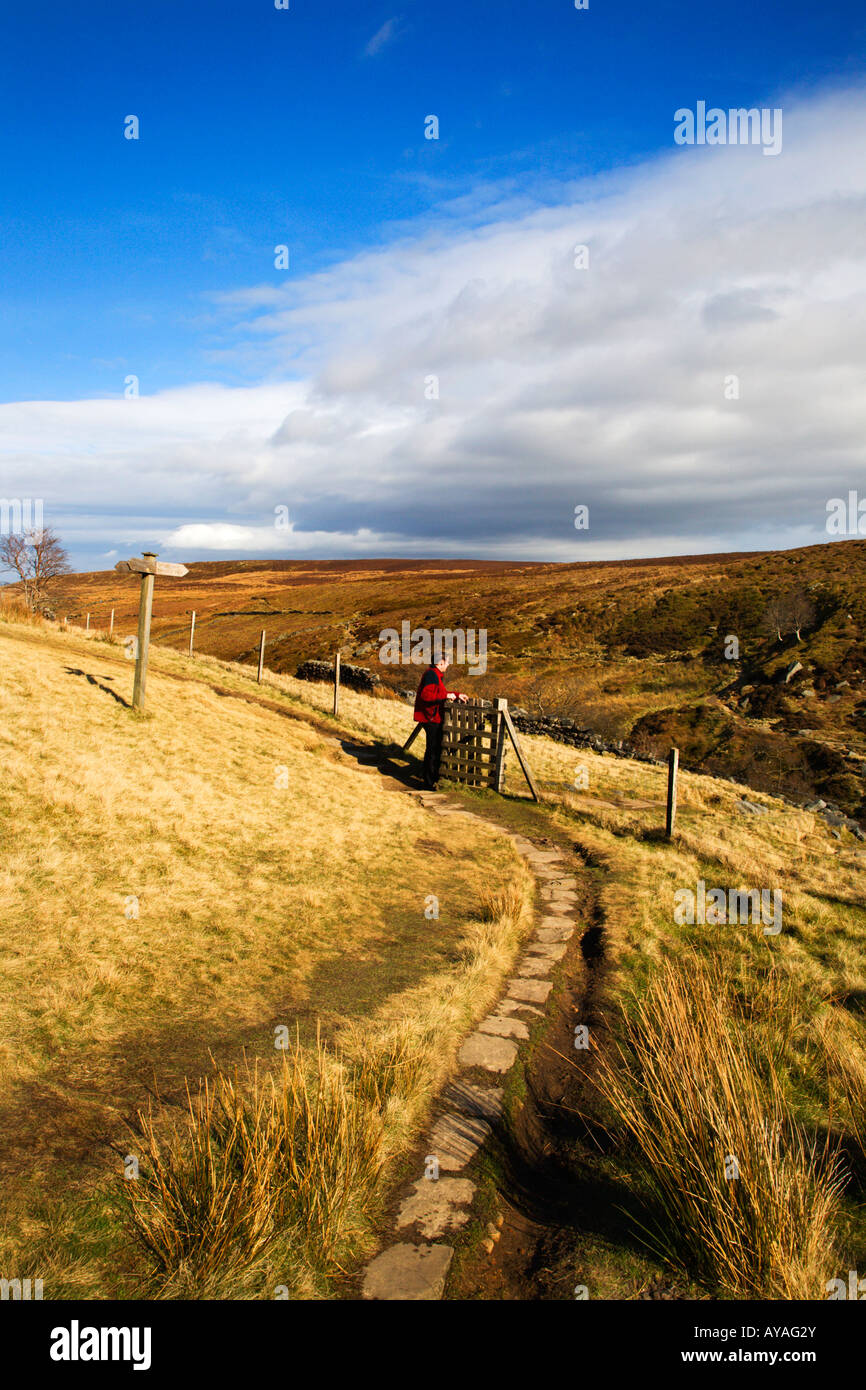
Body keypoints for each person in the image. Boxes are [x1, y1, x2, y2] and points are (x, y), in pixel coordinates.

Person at [413, 656, 468, 789]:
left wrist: (456, 694)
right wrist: (446, 696)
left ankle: (429, 778)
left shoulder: (434, 674)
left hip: (431, 716)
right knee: (433, 749)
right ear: (440, 662)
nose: (448, 664)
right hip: (431, 717)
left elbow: (439, 692)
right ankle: (428, 782)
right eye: (447, 662)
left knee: (434, 748)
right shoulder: (432, 675)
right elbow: (426, 695)